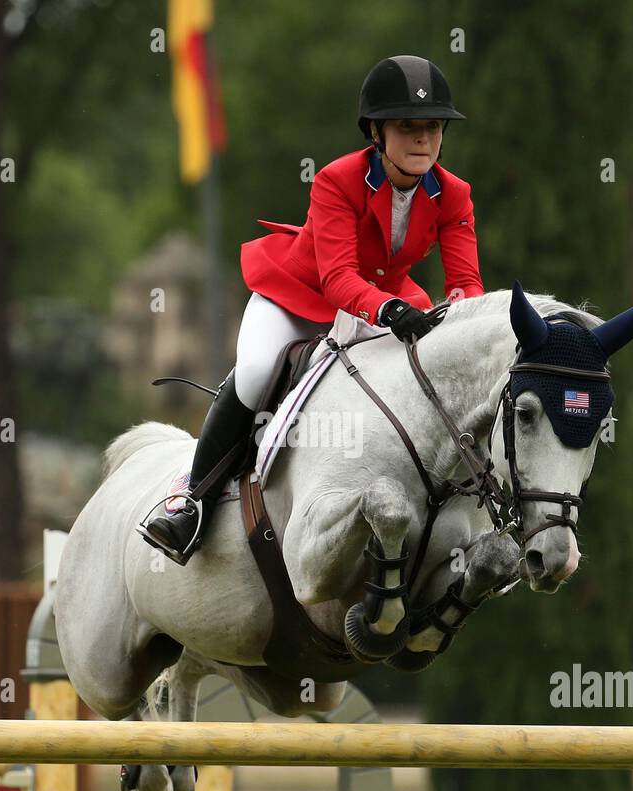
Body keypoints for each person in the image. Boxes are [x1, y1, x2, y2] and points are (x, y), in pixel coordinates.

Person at [139, 54, 485, 565]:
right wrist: (389, 312)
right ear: (376, 132)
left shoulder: (454, 195)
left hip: (384, 302)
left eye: (432, 127)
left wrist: (461, 324)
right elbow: (338, 277)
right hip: (301, 295)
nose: (423, 139)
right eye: (408, 126)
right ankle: (191, 498)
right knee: (256, 373)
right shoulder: (337, 180)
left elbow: (466, 285)